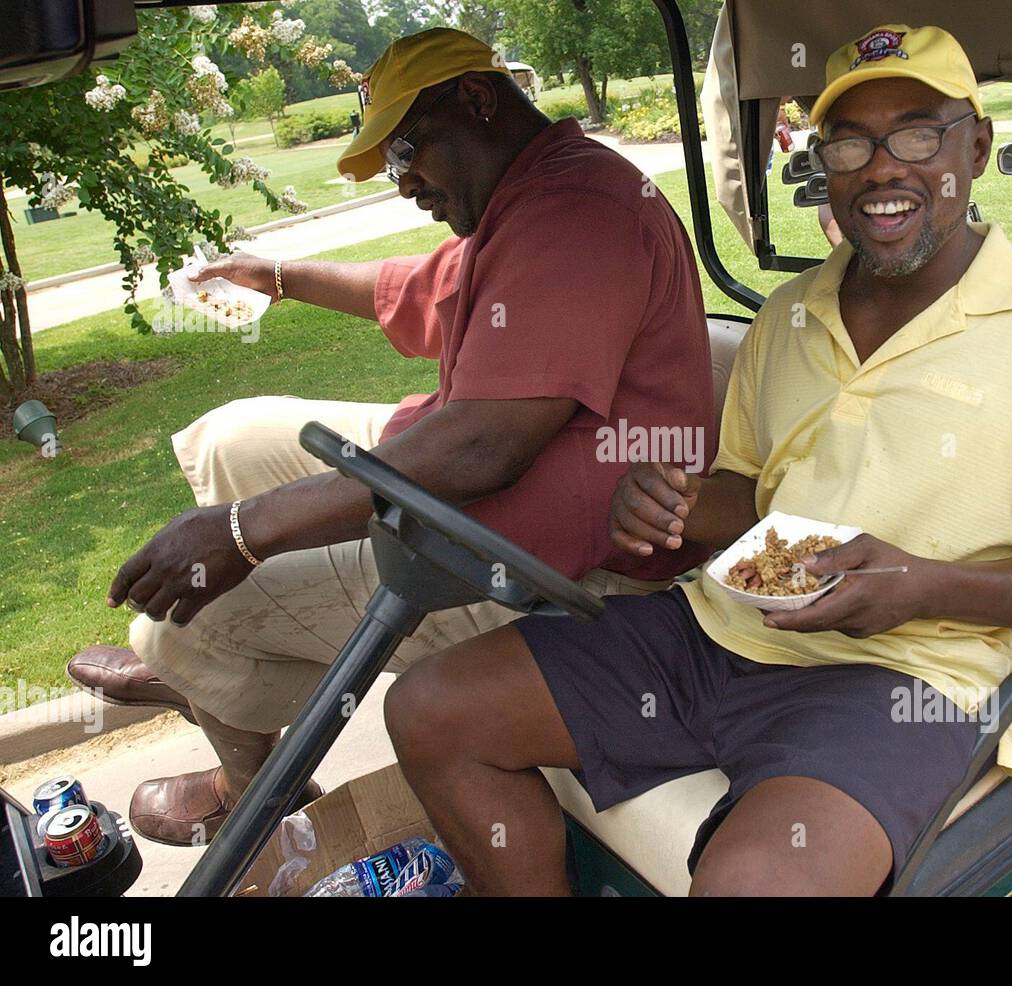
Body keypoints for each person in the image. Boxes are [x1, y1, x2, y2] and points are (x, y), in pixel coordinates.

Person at [383, 24, 1012, 896]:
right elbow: (749, 497)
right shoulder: (790, 316)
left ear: (975, 146)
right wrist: (670, 502)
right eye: (849, 142)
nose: (881, 168)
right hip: (714, 631)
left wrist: (922, 583)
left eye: (916, 133)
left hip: (900, 678)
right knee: (431, 710)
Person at [68, 27, 715, 846]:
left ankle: (241, 765)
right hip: (464, 493)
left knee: (176, 624)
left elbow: (483, 448)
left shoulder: (577, 213)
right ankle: (230, 688)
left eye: (408, 150)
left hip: (547, 569)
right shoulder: (529, 200)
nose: (405, 182)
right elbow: (418, 288)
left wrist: (246, 530)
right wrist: (276, 276)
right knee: (232, 437)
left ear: (477, 101)